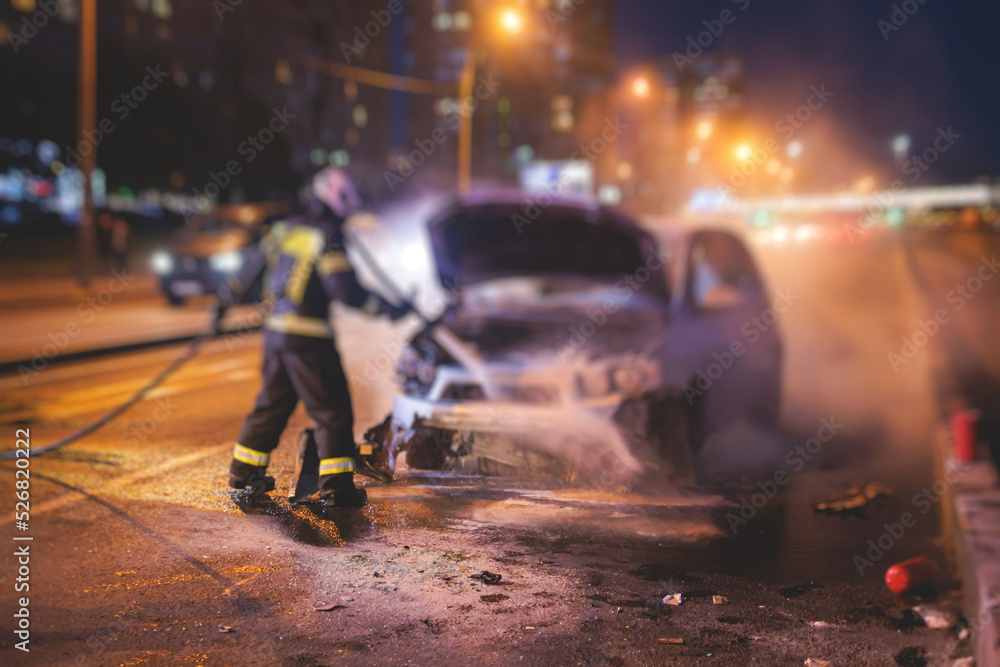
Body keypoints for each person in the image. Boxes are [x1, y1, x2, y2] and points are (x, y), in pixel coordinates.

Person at [217, 168, 410, 507]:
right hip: (309, 338)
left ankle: (243, 475)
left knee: (271, 405)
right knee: (332, 412)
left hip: (277, 335)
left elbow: (248, 271)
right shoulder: (328, 235)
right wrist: (387, 309)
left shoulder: (284, 229)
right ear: (337, 200)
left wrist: (221, 305)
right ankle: (337, 490)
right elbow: (345, 291)